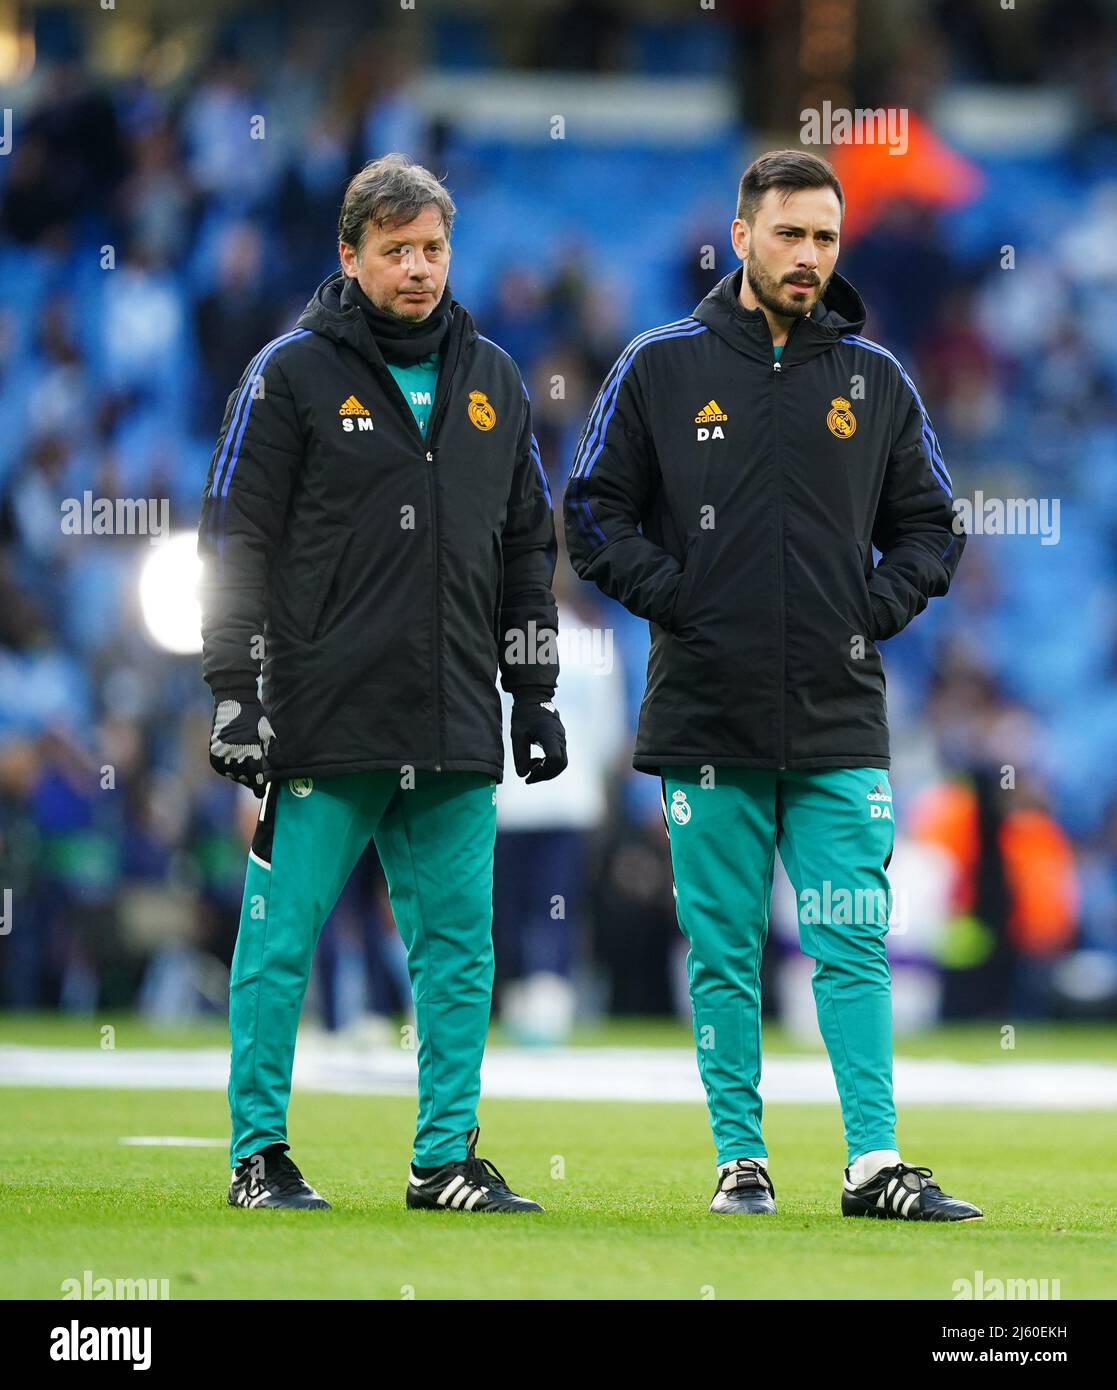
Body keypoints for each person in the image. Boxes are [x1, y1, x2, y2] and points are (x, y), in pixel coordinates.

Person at [564, 149, 980, 1221]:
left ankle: (874, 1162)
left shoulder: (875, 380)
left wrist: (870, 610)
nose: (807, 257)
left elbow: (933, 525)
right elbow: (592, 510)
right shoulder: (660, 365)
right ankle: (739, 1158)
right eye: (789, 234)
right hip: (705, 712)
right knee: (724, 948)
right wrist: (680, 597)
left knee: (850, 936)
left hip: (838, 714)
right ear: (740, 235)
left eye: (824, 239)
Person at [198, 153, 566, 1214]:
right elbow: (236, 540)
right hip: (319, 718)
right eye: (396, 249)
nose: (417, 268)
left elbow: (524, 549)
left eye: (433, 248)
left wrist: (531, 691)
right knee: (279, 939)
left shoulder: (494, 376)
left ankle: (443, 1155)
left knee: (458, 953)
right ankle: (257, 1154)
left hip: (453, 715)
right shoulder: (288, 374)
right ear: (349, 254)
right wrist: (235, 690)